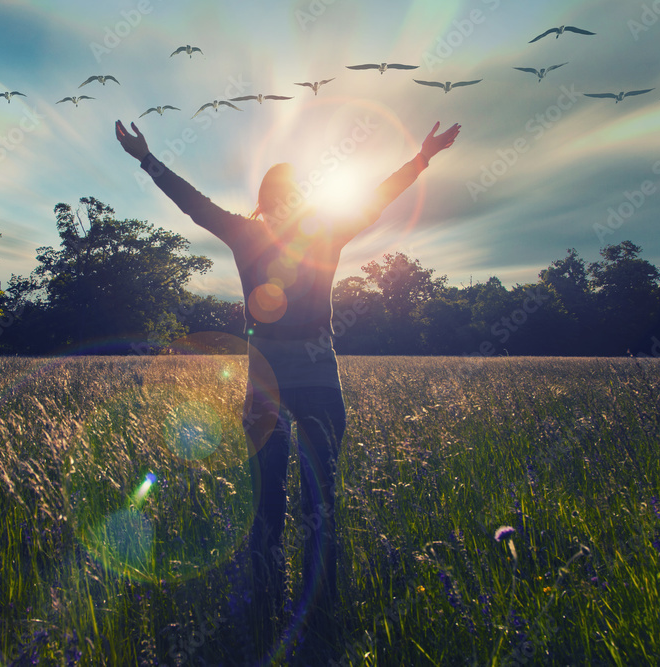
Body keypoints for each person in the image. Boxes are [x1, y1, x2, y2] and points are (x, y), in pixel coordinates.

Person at [115, 118, 460, 664]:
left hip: (313, 381)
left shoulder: (311, 231)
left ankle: (313, 605)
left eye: (289, 194)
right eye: (276, 195)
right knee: (273, 502)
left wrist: (422, 158)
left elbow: (378, 197)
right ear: (266, 200)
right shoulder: (268, 232)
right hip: (273, 386)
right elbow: (192, 202)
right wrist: (145, 158)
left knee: (311, 501)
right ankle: (275, 602)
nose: (282, 202)